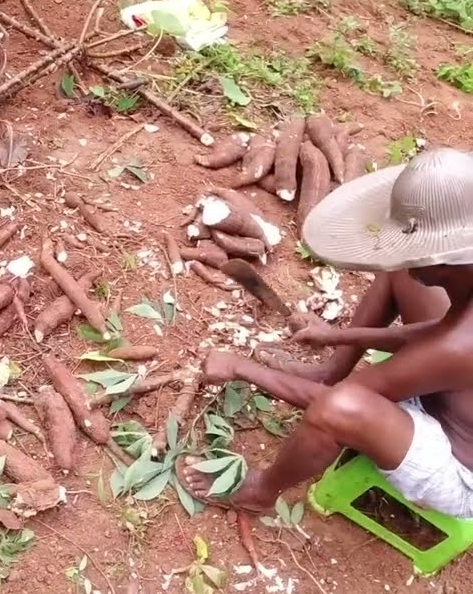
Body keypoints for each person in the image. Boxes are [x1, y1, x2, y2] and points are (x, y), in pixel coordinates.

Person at [179, 146, 473, 519]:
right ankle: (330, 368)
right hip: (453, 384)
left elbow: (334, 401)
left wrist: (241, 368)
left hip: (460, 469)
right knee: (400, 273)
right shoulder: (464, 294)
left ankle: (260, 493)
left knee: (338, 409)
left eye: (417, 254)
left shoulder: (460, 345)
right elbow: (432, 332)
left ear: (447, 257)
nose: (405, 258)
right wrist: (334, 337)